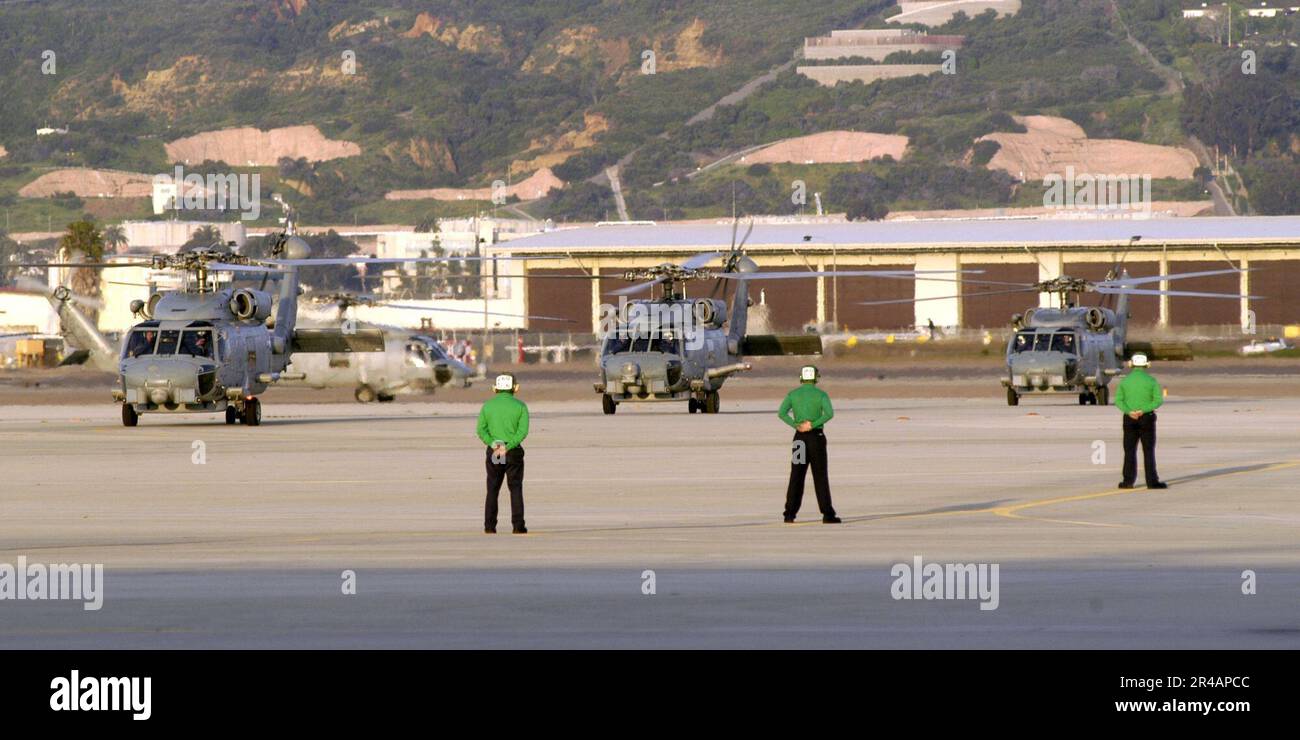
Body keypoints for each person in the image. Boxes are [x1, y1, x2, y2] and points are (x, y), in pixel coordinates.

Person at [777, 365, 840, 524]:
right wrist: (813, 424)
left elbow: (781, 413)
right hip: (816, 438)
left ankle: (789, 514)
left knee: (796, 475)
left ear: (801, 378)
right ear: (815, 378)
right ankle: (827, 513)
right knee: (820, 476)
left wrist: (796, 425)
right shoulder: (821, 395)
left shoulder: (793, 394)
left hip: (799, 439)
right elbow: (829, 414)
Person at [476, 373, 530, 533]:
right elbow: (522, 431)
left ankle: (489, 525)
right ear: (515, 388)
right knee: (515, 487)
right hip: (512, 452)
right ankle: (518, 525)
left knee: (493, 488)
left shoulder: (487, 406)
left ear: (495, 389)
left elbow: (481, 430)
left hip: (495, 451)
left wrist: (494, 444)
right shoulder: (520, 406)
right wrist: (509, 446)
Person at [1114, 353, 1167, 490]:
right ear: (1146, 365)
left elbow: (1118, 400)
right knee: (1148, 450)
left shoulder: (1125, 381)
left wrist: (1129, 411)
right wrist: (1143, 410)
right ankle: (1152, 481)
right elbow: (1158, 400)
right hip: (1146, 418)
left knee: (1129, 450)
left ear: (1131, 364)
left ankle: (1128, 481)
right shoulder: (1151, 381)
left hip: (1129, 418)